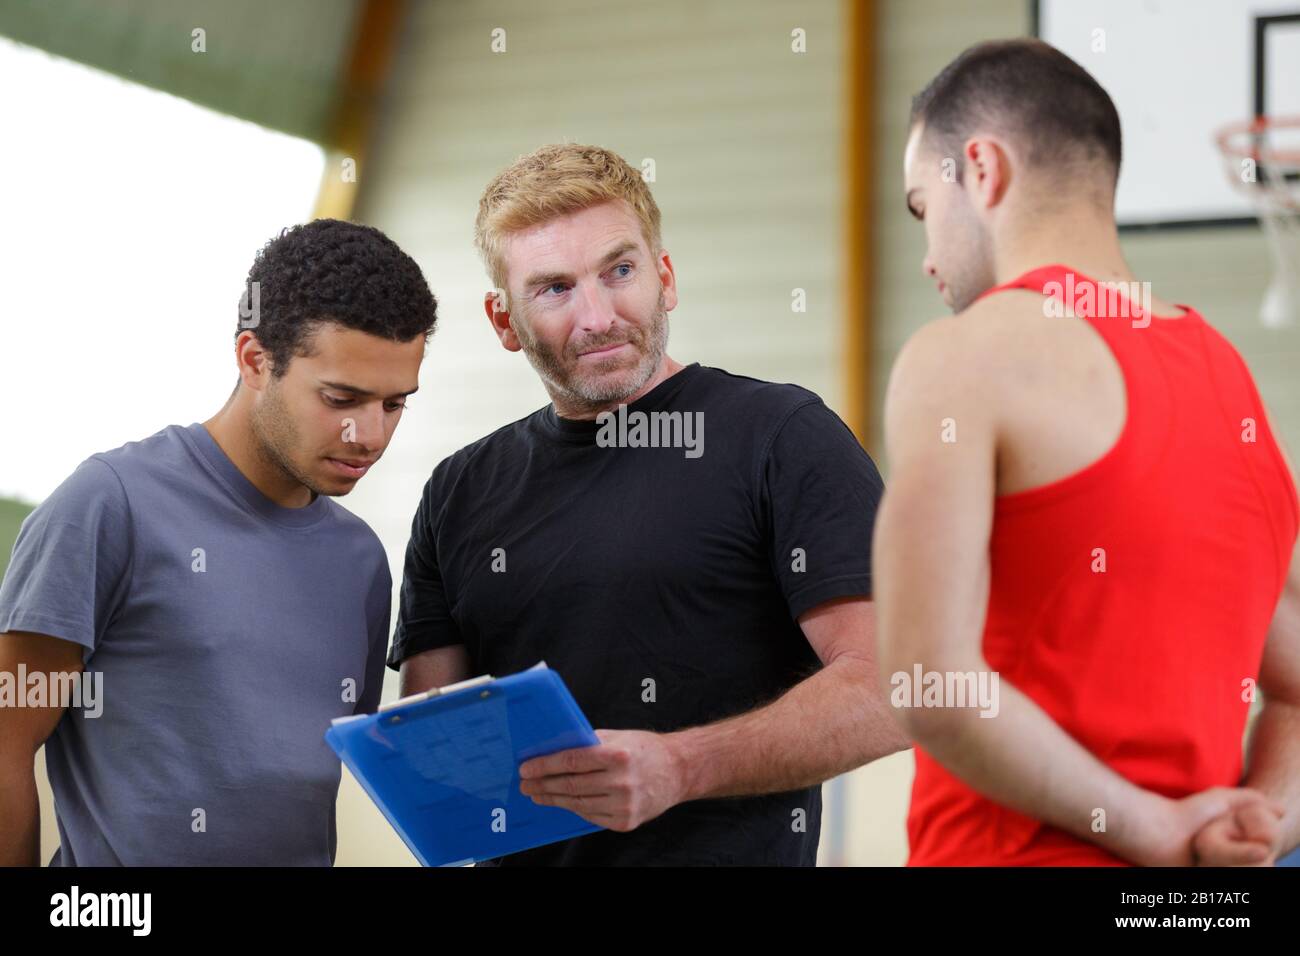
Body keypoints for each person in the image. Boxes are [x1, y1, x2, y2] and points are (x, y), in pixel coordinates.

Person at [388, 142, 907, 865]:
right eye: (554, 289)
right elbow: (432, 743)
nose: (598, 316)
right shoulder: (458, 491)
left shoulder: (782, 437)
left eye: (619, 271)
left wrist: (683, 767)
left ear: (664, 277)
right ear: (504, 321)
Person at [874, 38, 1299, 866]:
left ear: (983, 171)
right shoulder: (1231, 382)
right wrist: (1262, 822)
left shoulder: (960, 357)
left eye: (924, 208)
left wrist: (1149, 830)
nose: (926, 258)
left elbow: (927, 681)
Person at [0, 219, 438, 865]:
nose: (368, 435)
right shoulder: (110, 505)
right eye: (342, 397)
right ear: (255, 360)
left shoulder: (361, 561)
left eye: (395, 404)